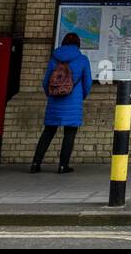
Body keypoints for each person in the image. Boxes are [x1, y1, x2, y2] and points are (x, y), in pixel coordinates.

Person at [31, 32, 93, 174]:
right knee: (69, 133)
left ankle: (36, 163)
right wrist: (80, 96)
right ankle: (63, 166)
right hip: (73, 101)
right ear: (78, 44)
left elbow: (46, 81)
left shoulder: (54, 58)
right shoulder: (82, 59)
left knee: (48, 132)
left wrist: (51, 94)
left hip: (54, 101)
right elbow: (87, 82)